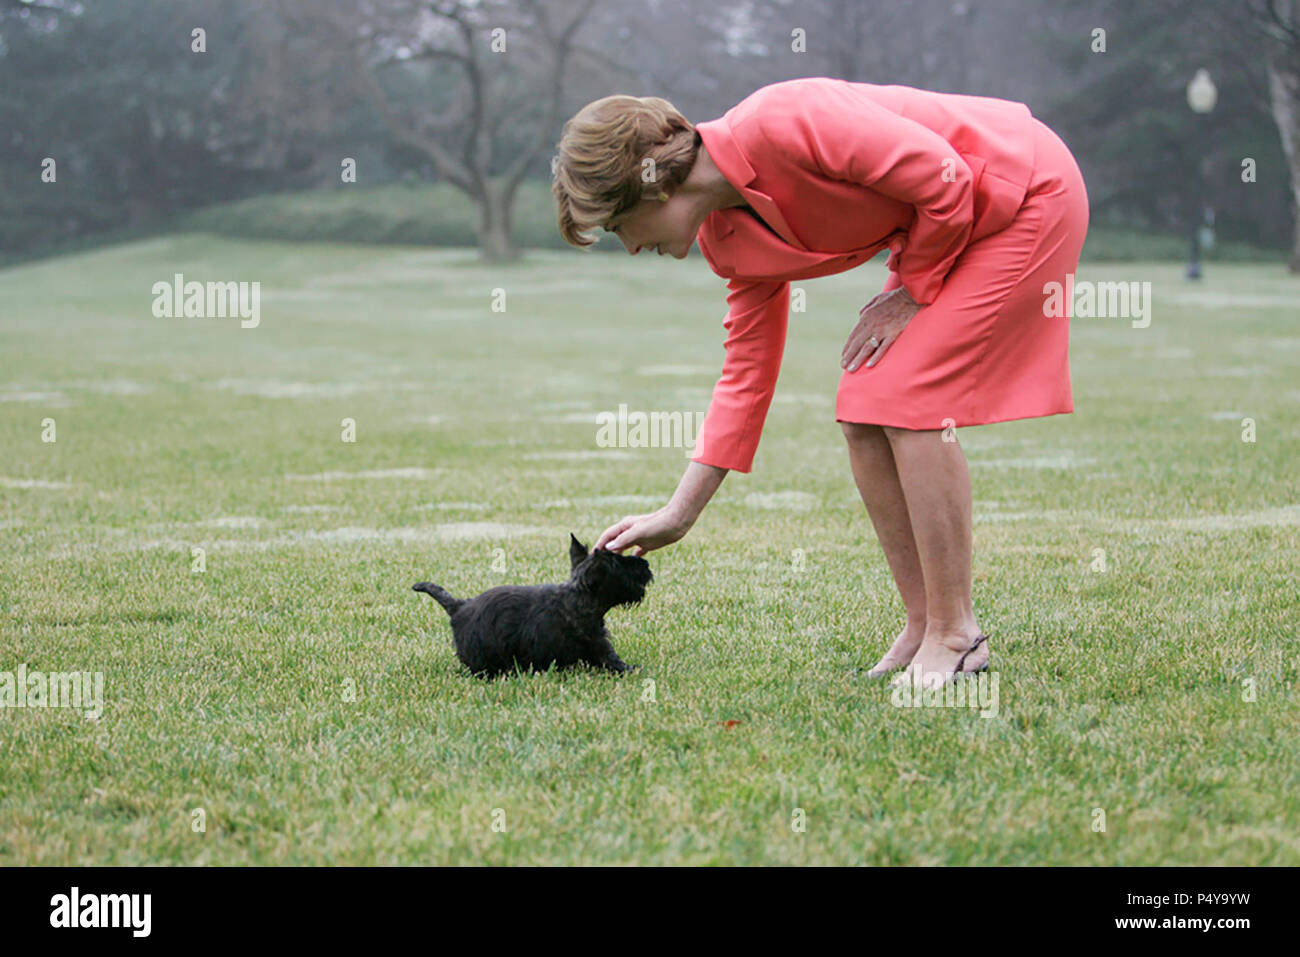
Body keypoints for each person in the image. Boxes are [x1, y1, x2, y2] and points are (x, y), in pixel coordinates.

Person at [550, 77, 1089, 688]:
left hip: (1023, 192)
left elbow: (946, 178)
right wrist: (679, 513)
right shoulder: (727, 241)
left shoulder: (783, 120)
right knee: (863, 407)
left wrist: (912, 290)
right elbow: (746, 376)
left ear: (651, 185)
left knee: (906, 397)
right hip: (950, 226)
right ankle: (924, 624)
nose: (628, 247)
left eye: (617, 225)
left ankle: (955, 634)